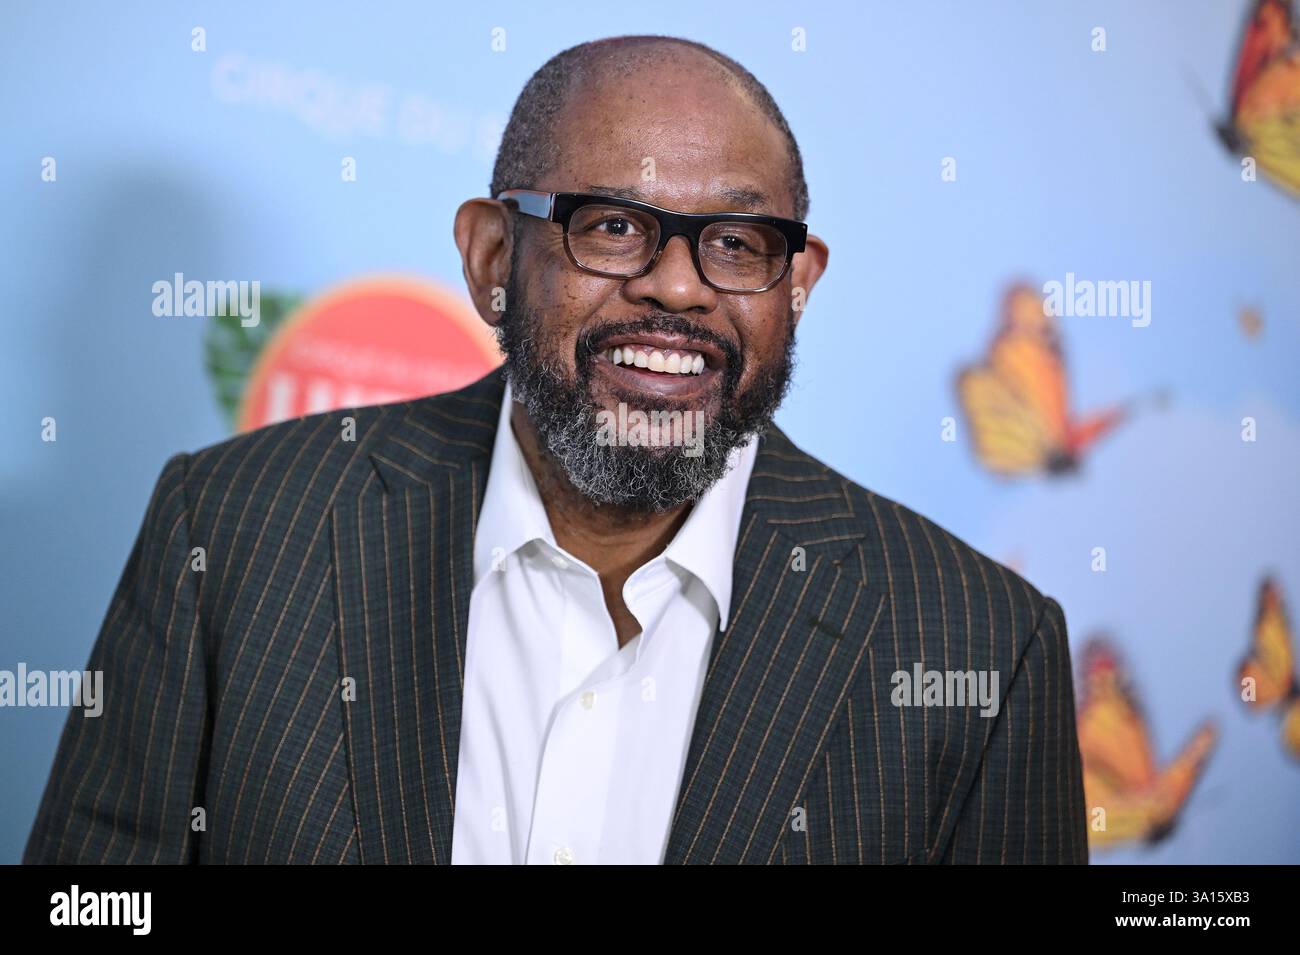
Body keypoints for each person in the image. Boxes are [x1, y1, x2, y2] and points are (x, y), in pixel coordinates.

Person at [25, 35, 1087, 865]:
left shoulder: (980, 645)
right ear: (493, 256)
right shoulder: (237, 531)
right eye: (612, 227)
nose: (677, 286)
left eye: (735, 243)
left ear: (795, 283)